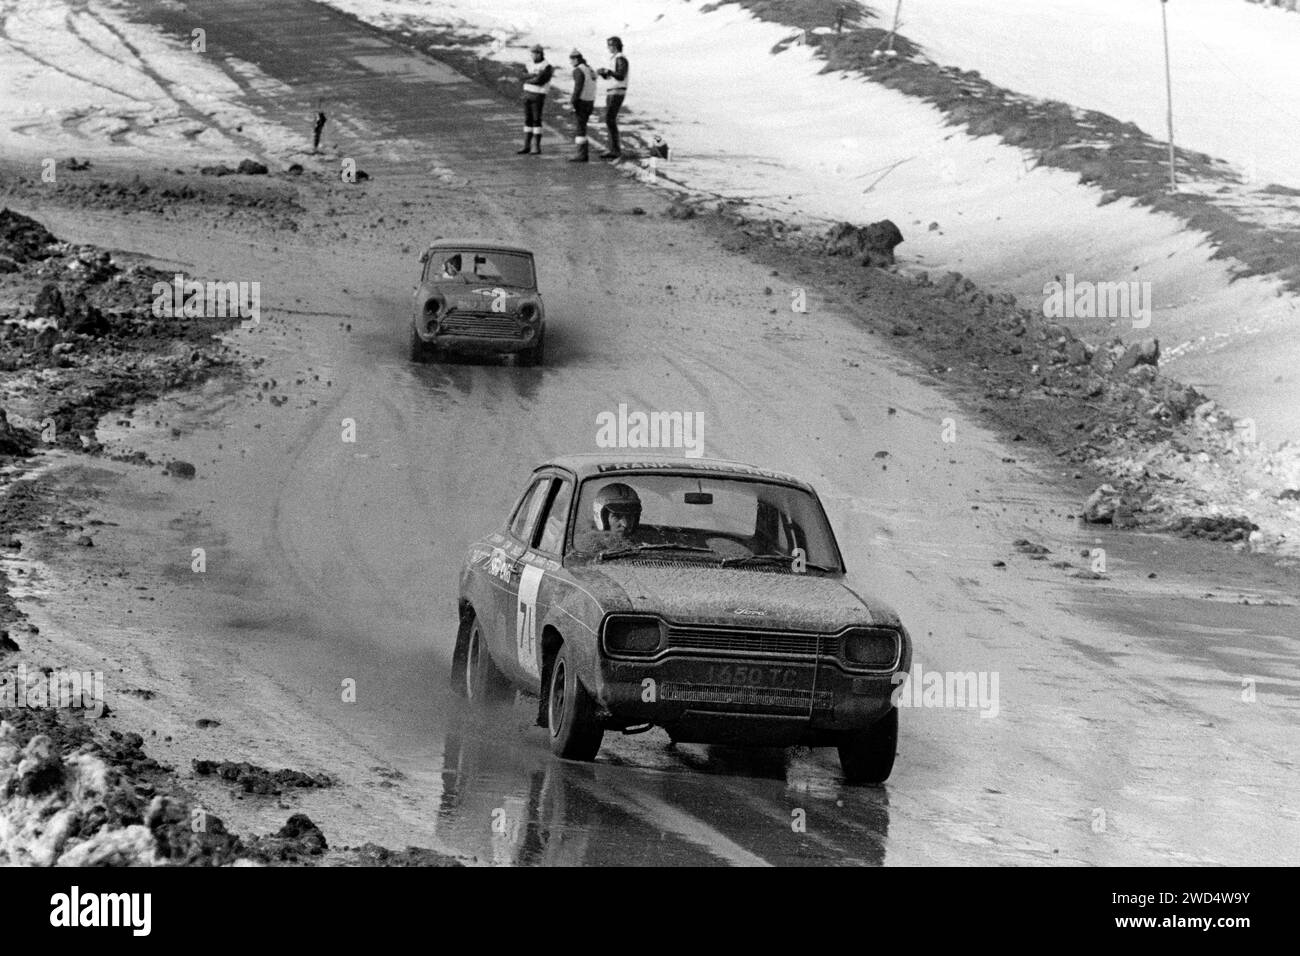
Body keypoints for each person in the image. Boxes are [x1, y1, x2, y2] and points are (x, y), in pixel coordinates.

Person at [573, 482, 655, 552]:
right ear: (603, 519)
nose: (625, 524)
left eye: (630, 516)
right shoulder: (584, 547)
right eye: (617, 516)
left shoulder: (650, 543)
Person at [518, 44, 554, 156]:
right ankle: (526, 145)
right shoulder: (528, 63)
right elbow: (521, 76)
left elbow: (540, 80)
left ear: (540, 54)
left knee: (536, 120)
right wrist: (532, 76)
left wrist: (528, 79)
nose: (532, 56)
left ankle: (536, 146)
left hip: (538, 95)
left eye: (534, 53)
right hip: (527, 94)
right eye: (532, 53)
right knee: (528, 120)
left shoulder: (546, 66)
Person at [596, 36, 628, 160]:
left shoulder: (620, 58)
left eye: (609, 45)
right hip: (613, 90)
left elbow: (620, 75)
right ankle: (613, 148)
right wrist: (605, 74)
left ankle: (615, 149)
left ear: (614, 46)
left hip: (617, 91)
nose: (608, 48)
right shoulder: (615, 58)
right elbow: (614, 76)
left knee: (610, 119)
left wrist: (608, 72)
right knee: (609, 119)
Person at [567, 50, 598, 163]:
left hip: (582, 101)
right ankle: (583, 153)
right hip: (590, 100)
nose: (570, 62)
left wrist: (572, 102)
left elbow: (578, 88)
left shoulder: (578, 70)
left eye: (571, 60)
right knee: (583, 126)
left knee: (580, 128)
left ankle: (581, 154)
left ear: (575, 59)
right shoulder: (589, 69)